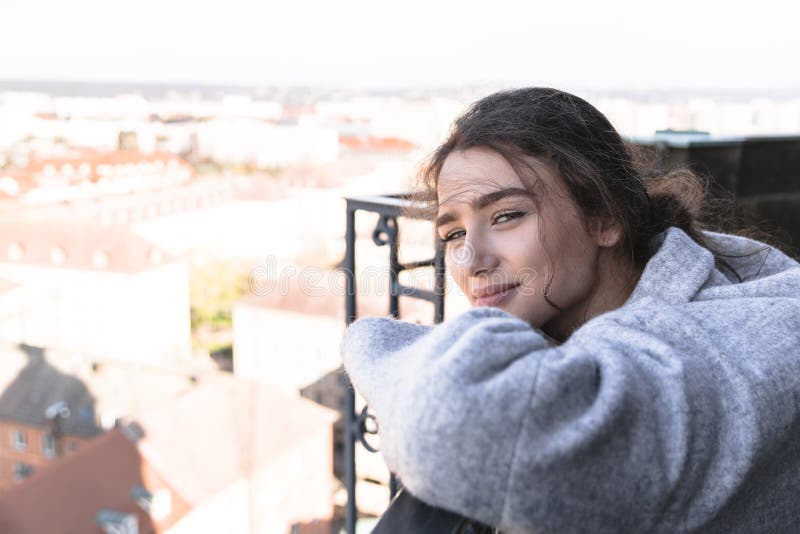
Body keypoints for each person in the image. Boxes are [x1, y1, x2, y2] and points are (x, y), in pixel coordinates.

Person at [340, 87, 800, 533]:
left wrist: (365, 339)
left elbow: (451, 426)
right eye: (453, 235)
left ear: (604, 217)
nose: (471, 261)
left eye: (506, 216)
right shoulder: (687, 274)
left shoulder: (721, 350)